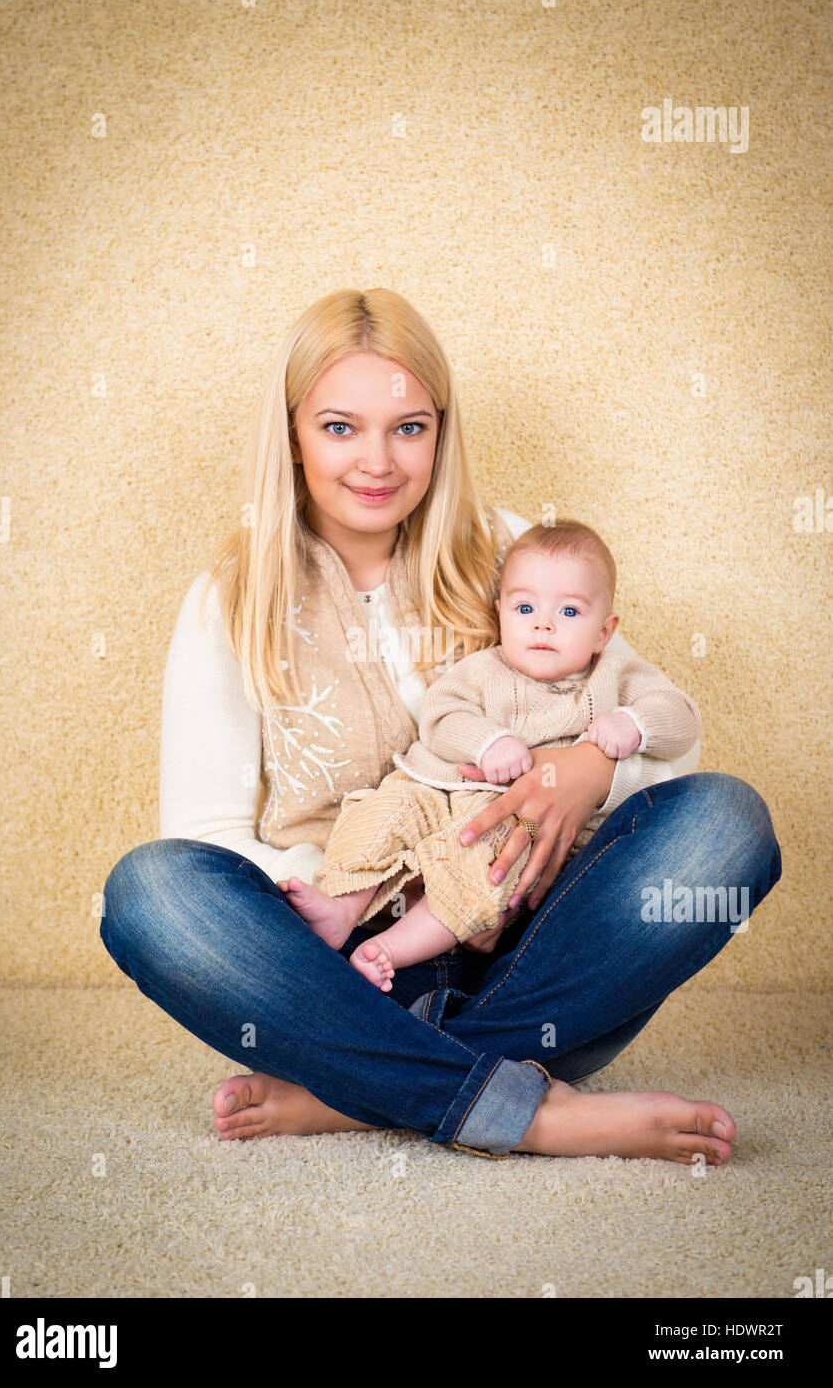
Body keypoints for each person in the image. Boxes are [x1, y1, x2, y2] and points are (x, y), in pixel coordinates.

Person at [99, 286, 782, 1164]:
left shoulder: (507, 548)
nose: (377, 461)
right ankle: (528, 1113)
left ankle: (365, 1091)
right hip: (344, 970)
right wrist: (364, 899)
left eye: (409, 427)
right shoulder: (231, 601)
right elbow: (207, 835)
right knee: (150, 891)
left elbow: (659, 731)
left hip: (534, 954)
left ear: (440, 431)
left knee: (725, 822)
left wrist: (587, 774)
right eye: (339, 427)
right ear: (293, 433)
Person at [279, 518, 703, 990]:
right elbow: (441, 717)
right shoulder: (481, 669)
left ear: (605, 632)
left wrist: (634, 725)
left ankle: (391, 949)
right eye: (525, 607)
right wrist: (488, 742)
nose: (543, 623)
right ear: (499, 613)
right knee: (382, 812)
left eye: (569, 613)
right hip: (436, 791)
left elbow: (681, 716)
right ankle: (342, 903)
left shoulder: (618, 677)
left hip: (514, 824)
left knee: (485, 865)